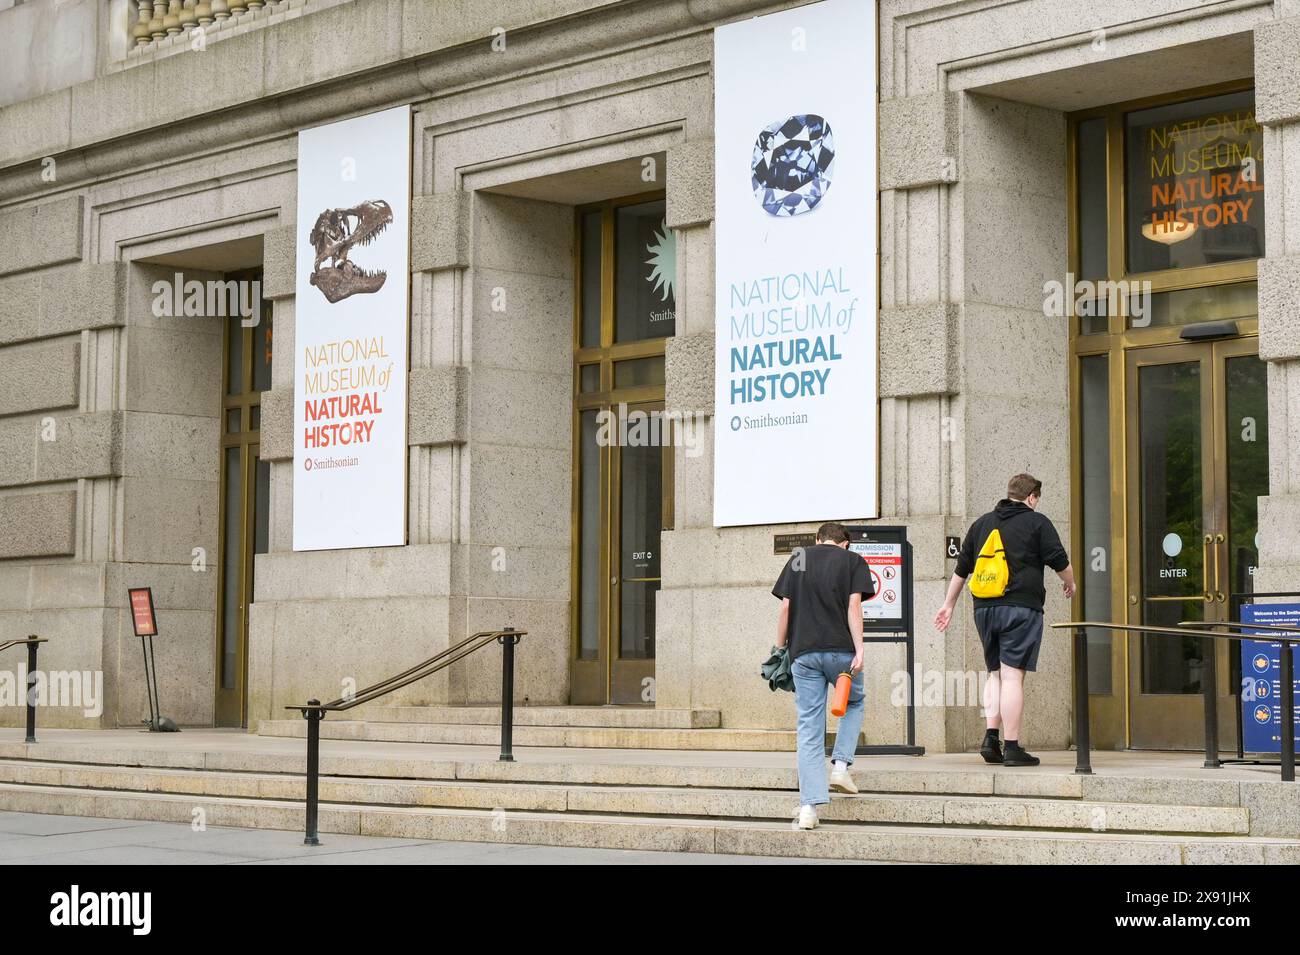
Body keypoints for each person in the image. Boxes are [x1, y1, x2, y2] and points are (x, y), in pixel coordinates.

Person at [933, 474, 1075, 767]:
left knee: (994, 673)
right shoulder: (1037, 522)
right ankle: (1011, 747)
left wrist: (948, 605)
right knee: (1012, 676)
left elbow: (962, 569)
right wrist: (1069, 584)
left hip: (984, 609)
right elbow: (1060, 561)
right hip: (1020, 608)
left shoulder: (982, 523)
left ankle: (990, 738)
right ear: (1032, 497)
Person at [772, 521, 874, 830]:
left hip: (803, 654)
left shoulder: (799, 557)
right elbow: (854, 606)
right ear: (845, 543)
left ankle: (808, 808)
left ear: (818, 539)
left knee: (809, 728)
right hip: (842, 653)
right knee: (854, 703)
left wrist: (780, 649)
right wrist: (860, 649)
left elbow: (786, 608)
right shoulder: (853, 560)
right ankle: (841, 765)